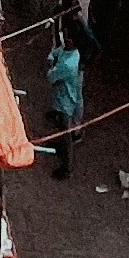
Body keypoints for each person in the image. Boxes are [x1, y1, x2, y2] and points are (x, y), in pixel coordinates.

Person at [46, 14, 85, 180]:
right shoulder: (71, 53)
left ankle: (67, 167)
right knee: (62, 127)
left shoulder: (69, 64)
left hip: (66, 100)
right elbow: (56, 52)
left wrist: (51, 64)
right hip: (65, 94)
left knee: (65, 129)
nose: (63, 36)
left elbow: (52, 76)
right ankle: (61, 144)